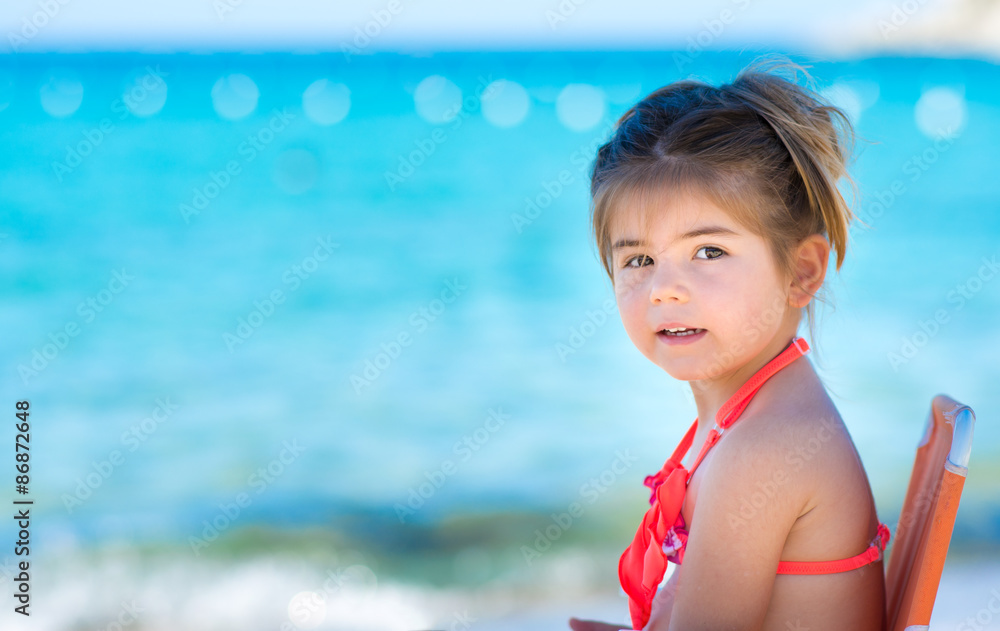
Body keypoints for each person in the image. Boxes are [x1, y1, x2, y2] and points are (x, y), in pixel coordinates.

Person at [568, 56, 889, 631]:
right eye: (638, 260)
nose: (665, 289)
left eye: (708, 252)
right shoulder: (757, 413)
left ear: (801, 271)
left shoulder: (761, 452)